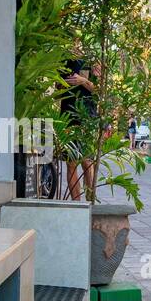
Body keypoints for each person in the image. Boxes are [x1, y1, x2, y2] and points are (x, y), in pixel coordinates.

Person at [61, 56, 99, 199]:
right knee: (71, 163)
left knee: (87, 162)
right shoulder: (63, 60)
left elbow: (100, 90)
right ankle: (76, 205)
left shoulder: (93, 59)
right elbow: (57, 87)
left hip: (87, 117)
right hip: (67, 116)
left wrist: (83, 81)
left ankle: (90, 204)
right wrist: (62, 83)